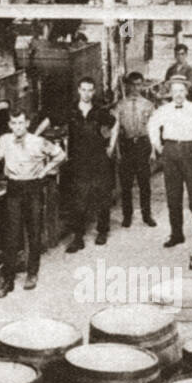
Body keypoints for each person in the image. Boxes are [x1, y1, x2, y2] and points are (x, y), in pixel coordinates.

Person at [0, 108, 66, 296]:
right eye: (14, 123)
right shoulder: (4, 140)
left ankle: (32, 273)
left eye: (21, 123)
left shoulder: (37, 142)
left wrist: (45, 171)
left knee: (34, 232)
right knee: (11, 235)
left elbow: (60, 155)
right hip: (14, 189)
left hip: (33, 189)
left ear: (27, 124)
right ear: (9, 125)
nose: (18, 127)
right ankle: (8, 280)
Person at [147, 75, 192, 248]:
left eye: (181, 90)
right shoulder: (163, 110)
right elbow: (152, 125)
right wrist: (157, 145)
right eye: (174, 91)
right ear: (170, 92)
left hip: (190, 152)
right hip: (170, 152)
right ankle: (176, 234)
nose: (178, 94)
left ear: (186, 91)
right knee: (173, 196)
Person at [62, 77, 118, 252]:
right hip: (78, 161)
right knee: (78, 200)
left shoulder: (99, 111)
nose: (86, 93)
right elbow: (57, 125)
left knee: (102, 196)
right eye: (84, 89)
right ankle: (77, 238)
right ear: (79, 90)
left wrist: (111, 146)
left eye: (90, 90)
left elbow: (115, 124)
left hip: (99, 159)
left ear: (93, 92)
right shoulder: (71, 111)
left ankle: (102, 231)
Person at [114, 71, 157, 228]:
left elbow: (153, 129)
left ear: (142, 85)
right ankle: (127, 216)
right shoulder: (120, 105)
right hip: (127, 145)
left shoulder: (148, 105)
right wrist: (117, 151)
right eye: (132, 84)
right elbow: (116, 129)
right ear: (127, 85)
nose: (135, 88)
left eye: (138, 84)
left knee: (144, 182)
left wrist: (153, 150)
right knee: (126, 184)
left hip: (142, 144)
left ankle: (147, 215)